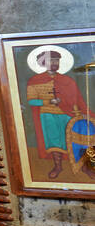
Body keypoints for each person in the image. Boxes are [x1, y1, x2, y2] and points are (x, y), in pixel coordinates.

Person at [26, 47, 95, 179]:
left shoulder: (68, 81)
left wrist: (83, 112)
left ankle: (85, 167)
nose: (54, 64)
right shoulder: (35, 81)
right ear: (44, 63)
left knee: (77, 139)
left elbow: (78, 99)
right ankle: (58, 166)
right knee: (55, 142)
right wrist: (47, 102)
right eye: (50, 61)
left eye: (56, 61)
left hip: (69, 115)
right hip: (48, 116)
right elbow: (31, 101)